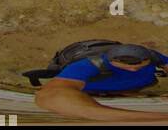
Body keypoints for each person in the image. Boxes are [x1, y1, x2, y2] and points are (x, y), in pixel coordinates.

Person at [35, 44, 168, 121]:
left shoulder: (153, 56)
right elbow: (52, 94)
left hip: (135, 89)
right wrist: (157, 116)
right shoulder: (87, 66)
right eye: (125, 65)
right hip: (99, 93)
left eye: (140, 65)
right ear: (111, 60)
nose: (133, 68)